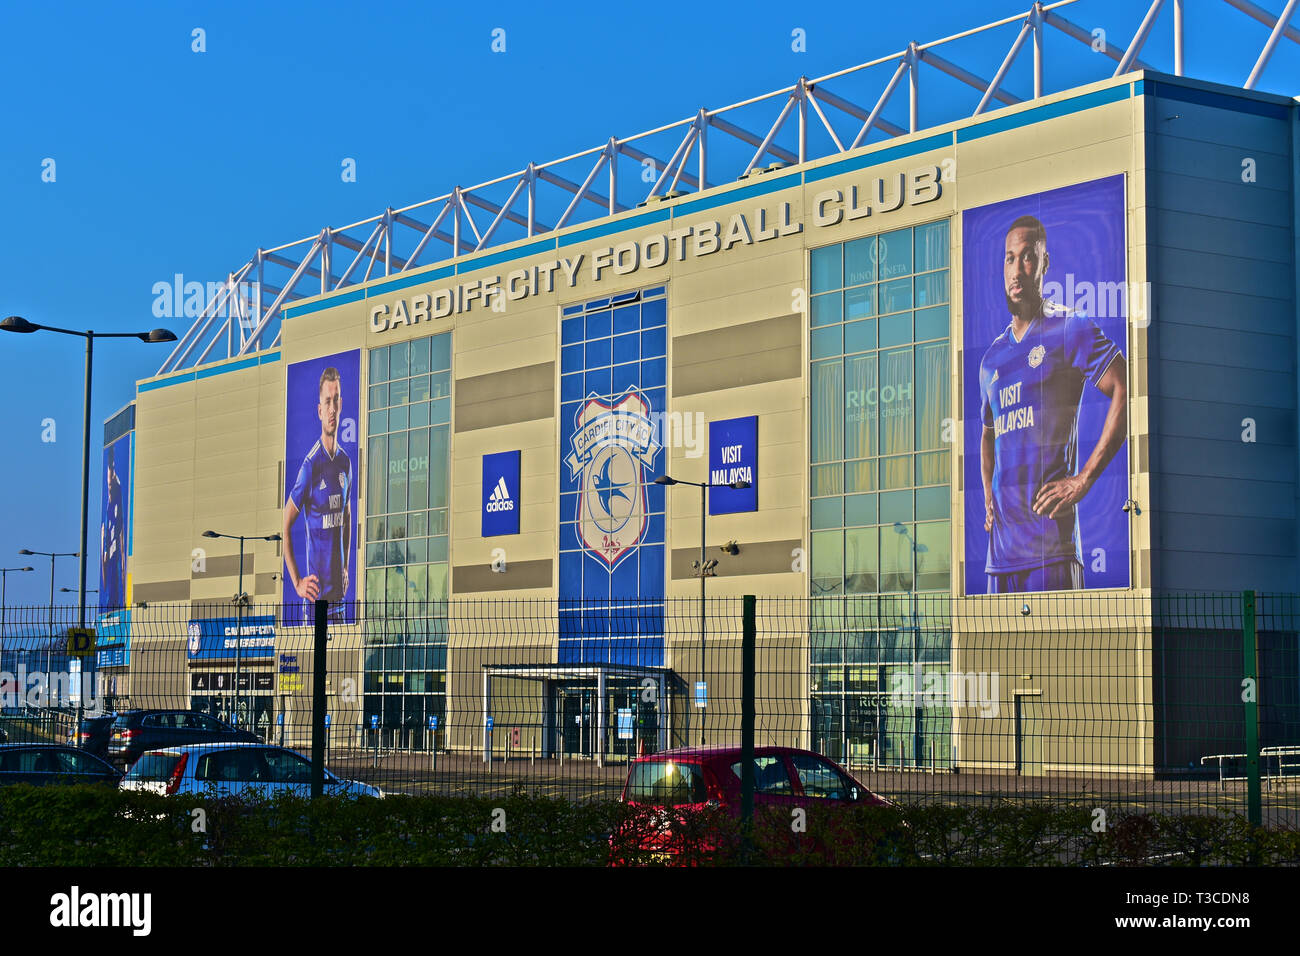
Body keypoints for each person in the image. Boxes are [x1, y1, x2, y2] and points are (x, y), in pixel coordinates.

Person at [978, 215, 1128, 594]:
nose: (1017, 269)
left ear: (1045, 263)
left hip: (1051, 552)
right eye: (1010, 258)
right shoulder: (991, 359)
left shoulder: (1069, 327)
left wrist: (1083, 480)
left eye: (1028, 257)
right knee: (1002, 656)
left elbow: (1127, 387)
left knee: (1060, 655)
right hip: (1000, 559)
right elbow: (987, 434)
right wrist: (988, 497)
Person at [283, 366, 353, 621]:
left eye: (336, 400)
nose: (332, 408)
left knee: (340, 662)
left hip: (340, 600)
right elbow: (286, 524)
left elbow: (346, 516)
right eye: (327, 401)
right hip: (316, 603)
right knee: (314, 662)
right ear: (320, 410)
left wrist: (345, 568)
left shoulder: (345, 462)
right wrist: (297, 582)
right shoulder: (310, 466)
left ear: (341, 403)